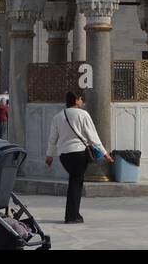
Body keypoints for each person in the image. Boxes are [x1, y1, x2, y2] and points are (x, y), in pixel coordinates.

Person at [45, 90, 112, 225]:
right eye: (81, 99)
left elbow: (52, 139)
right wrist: (105, 153)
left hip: (64, 156)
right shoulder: (83, 114)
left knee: (75, 182)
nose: (82, 102)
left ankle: (74, 213)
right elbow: (93, 137)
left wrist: (49, 155)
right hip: (79, 154)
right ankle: (71, 216)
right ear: (76, 100)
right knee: (75, 184)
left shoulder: (58, 116)